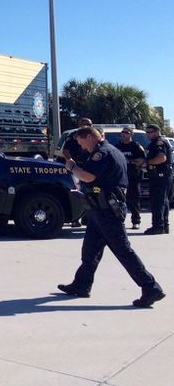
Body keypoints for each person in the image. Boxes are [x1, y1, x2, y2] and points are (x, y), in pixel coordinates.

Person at [57, 126, 165, 308]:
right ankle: (82, 284)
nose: (82, 147)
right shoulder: (108, 150)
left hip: (108, 211)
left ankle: (150, 287)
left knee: (123, 251)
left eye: (82, 142)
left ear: (90, 137)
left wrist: (72, 166)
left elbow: (88, 177)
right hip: (99, 209)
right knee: (90, 250)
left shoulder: (103, 153)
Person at [143, 124, 172, 235]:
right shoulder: (154, 143)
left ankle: (158, 227)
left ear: (156, 132)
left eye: (149, 132)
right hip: (160, 175)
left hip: (160, 175)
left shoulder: (159, 142)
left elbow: (162, 158)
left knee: (157, 201)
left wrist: (147, 162)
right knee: (163, 201)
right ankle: (163, 225)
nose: (147, 134)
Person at [116, 127, 145, 230]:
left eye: (126, 132)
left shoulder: (136, 146)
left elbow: (141, 160)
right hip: (120, 177)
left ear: (131, 134)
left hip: (133, 176)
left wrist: (129, 161)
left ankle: (136, 221)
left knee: (134, 199)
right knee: (118, 200)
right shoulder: (118, 147)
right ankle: (118, 222)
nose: (123, 134)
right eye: (122, 132)